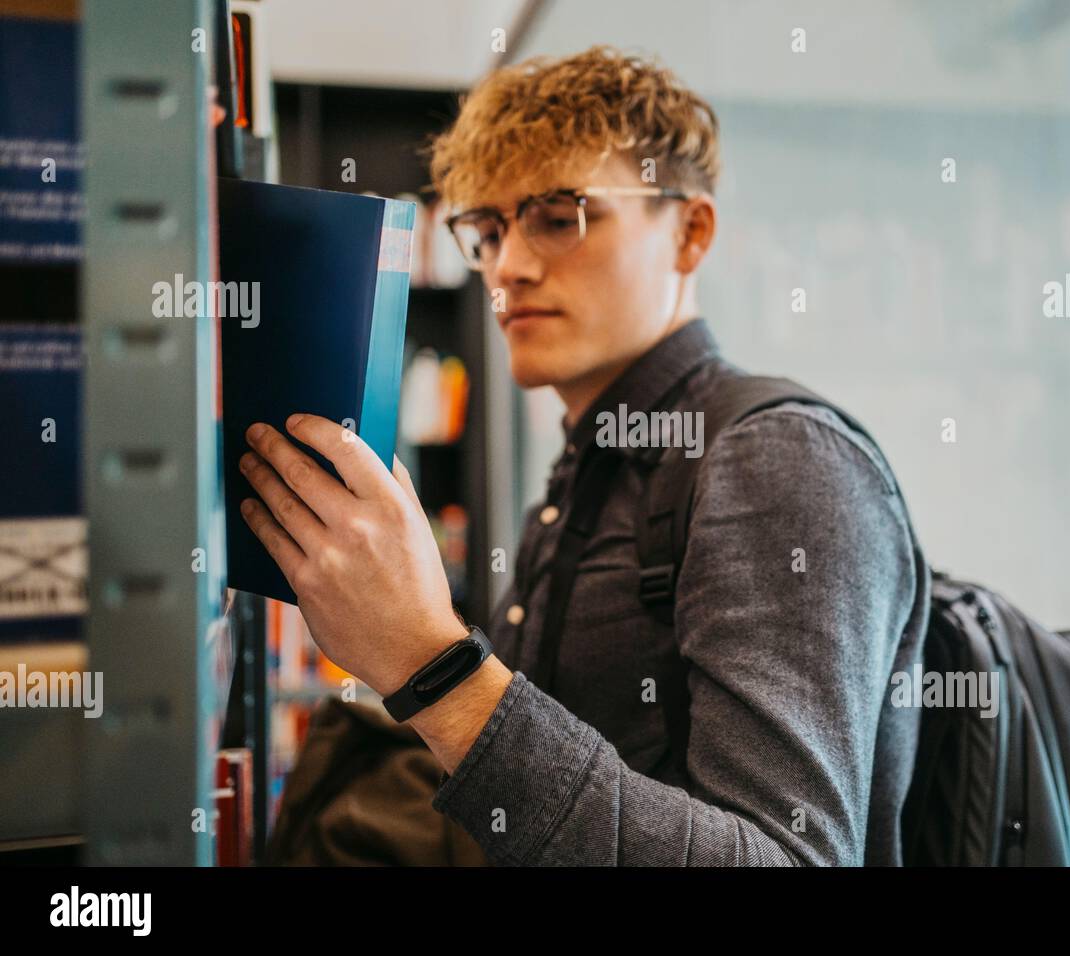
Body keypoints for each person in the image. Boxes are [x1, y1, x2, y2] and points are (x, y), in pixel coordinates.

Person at [237, 45, 929, 866]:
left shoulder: (776, 459)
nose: (509, 267)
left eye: (559, 216)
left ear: (691, 231)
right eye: (487, 230)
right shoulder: (592, 469)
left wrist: (431, 663)